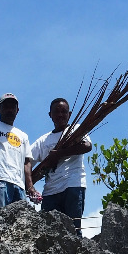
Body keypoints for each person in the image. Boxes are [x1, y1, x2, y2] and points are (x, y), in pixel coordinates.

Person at [30, 98, 92, 233]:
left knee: (73, 230)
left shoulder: (75, 129)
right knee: (49, 233)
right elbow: (27, 161)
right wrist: (30, 186)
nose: (60, 115)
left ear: (69, 114)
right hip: (50, 191)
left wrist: (59, 154)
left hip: (73, 185)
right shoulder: (43, 140)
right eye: (56, 112)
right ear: (50, 115)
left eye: (64, 112)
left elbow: (87, 146)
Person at [0, 93, 39, 213]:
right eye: (6, 107)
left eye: (12, 107)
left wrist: (30, 186)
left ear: (17, 110)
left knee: (21, 221)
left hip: (19, 185)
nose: (9, 110)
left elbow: (27, 163)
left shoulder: (23, 136)